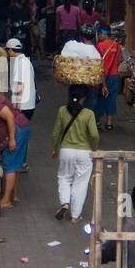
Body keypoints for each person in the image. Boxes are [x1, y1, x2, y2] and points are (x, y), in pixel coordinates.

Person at [52, 85, 99, 223]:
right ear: (84, 98)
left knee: (64, 178)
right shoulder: (89, 114)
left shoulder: (62, 111)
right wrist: (95, 148)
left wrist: (54, 148)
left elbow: (56, 132)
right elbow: (94, 135)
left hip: (66, 151)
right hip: (85, 152)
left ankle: (65, 203)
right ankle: (75, 216)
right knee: (81, 183)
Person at [95, 25, 123, 132]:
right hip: (115, 76)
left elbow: (98, 63)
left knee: (100, 98)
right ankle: (109, 123)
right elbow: (120, 59)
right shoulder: (117, 45)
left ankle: (97, 121)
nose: (99, 36)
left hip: (103, 76)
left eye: (99, 34)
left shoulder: (100, 46)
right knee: (112, 99)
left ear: (103, 34)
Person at [6, 37, 37, 119]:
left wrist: (16, 107)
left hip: (23, 106)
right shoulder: (26, 61)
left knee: (19, 129)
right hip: (29, 104)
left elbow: (20, 85)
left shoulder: (19, 63)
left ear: (10, 50)